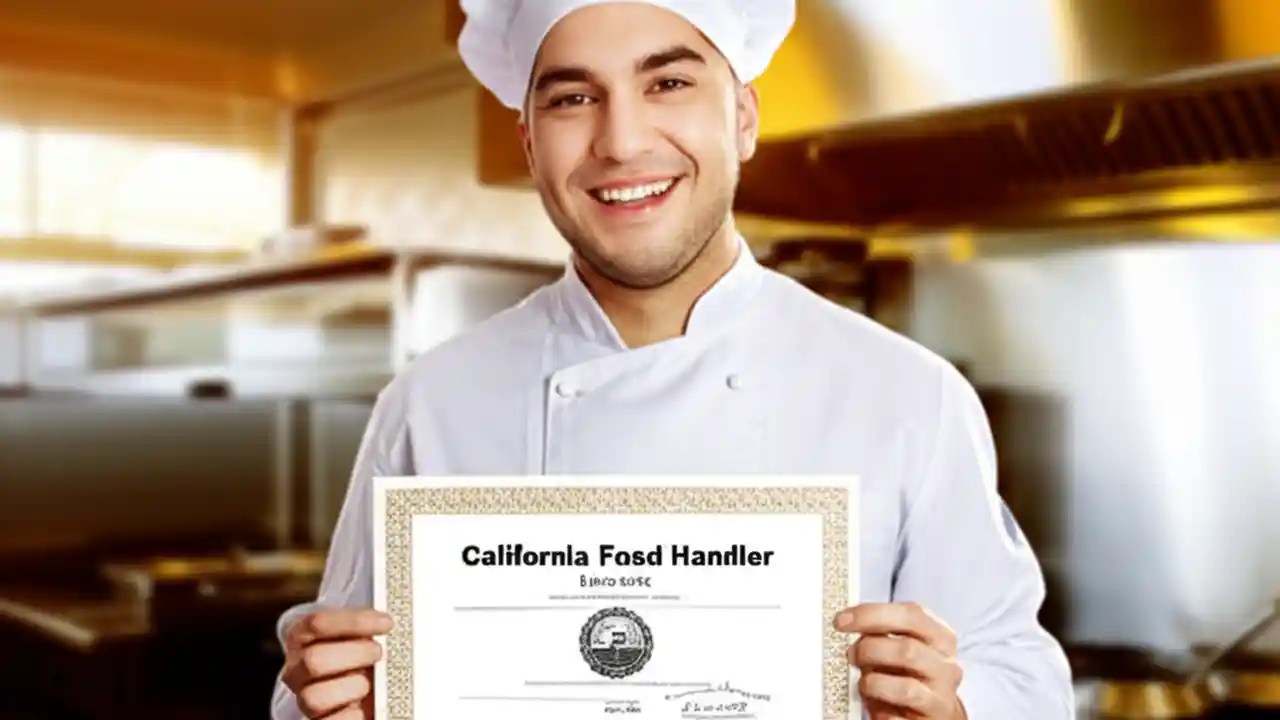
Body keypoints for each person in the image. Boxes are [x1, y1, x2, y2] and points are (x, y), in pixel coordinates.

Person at [271, 1, 1075, 718]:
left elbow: (1020, 678)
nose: (621, 141)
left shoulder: (908, 395)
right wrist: (328, 702)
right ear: (529, 143)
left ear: (744, 118)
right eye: (573, 98)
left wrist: (955, 706)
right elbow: (321, 683)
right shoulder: (428, 404)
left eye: (668, 83)